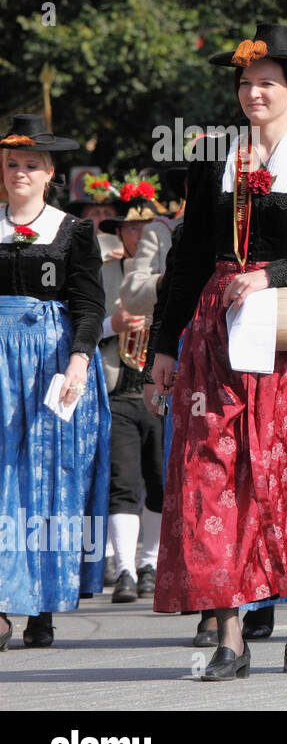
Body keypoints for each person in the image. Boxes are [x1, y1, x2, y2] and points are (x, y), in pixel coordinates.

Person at [146, 23, 287, 679]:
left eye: (267, 83)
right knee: (212, 472)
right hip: (218, 336)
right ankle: (231, 635)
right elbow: (186, 259)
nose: (253, 92)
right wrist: (164, 342)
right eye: (245, 82)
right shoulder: (214, 158)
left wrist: (271, 273)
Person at [0, 114, 111, 650]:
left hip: (50, 361)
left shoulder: (73, 231)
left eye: (31, 165)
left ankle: (41, 600)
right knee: (3, 480)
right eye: (12, 163)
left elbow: (90, 303)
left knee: (46, 479)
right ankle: (2, 601)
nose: (20, 172)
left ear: (49, 174)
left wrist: (78, 361)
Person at [97, 182, 167, 604]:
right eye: (131, 229)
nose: (138, 237)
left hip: (159, 388)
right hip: (119, 389)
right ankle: (124, 567)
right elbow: (84, 321)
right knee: (123, 482)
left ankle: (150, 563)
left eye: (146, 229)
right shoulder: (104, 271)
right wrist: (114, 325)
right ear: (121, 234)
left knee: (159, 482)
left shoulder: (169, 272)